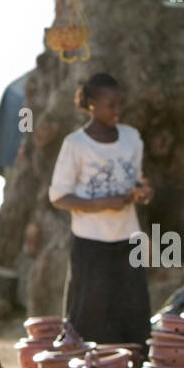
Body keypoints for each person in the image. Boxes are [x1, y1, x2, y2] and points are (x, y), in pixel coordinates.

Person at [48, 72, 153, 345]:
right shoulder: (76, 145)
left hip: (128, 240)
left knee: (133, 314)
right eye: (111, 105)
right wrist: (101, 204)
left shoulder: (132, 138)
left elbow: (138, 180)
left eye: (120, 103)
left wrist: (142, 193)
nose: (118, 110)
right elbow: (58, 196)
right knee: (90, 316)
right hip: (90, 244)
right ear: (91, 104)